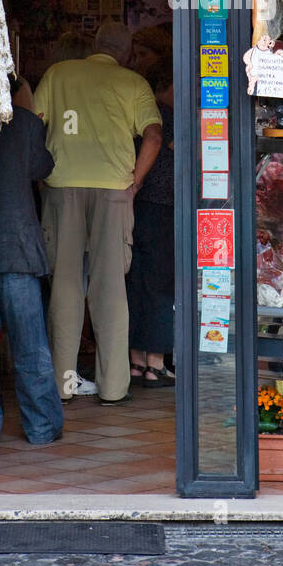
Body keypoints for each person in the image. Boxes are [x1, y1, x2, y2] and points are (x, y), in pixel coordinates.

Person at [35, 21, 163, 405]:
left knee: (66, 289)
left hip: (62, 188)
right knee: (110, 291)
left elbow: (31, 123)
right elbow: (154, 136)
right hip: (113, 191)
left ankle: (64, 384)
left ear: (94, 45)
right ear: (125, 54)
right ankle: (113, 388)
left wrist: (41, 176)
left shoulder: (58, 74)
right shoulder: (133, 83)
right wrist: (135, 183)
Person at [0, 77, 65, 447]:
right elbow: (42, 168)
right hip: (18, 250)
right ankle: (42, 426)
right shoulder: (26, 124)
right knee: (30, 345)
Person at [128, 60, 175, 386]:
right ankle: (155, 364)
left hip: (135, 208)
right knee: (160, 286)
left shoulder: (136, 114)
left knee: (133, 283)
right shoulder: (166, 115)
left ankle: (134, 361)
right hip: (163, 209)